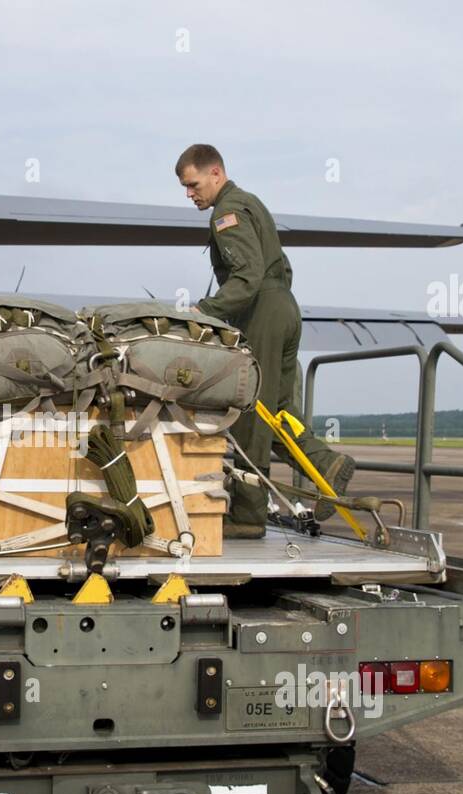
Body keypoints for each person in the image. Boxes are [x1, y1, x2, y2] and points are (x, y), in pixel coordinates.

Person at [175, 144, 355, 537]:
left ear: (215, 173)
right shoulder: (249, 202)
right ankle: (325, 465)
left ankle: (247, 516)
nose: (190, 194)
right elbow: (274, 268)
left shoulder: (227, 211)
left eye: (193, 184)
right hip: (284, 308)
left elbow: (246, 277)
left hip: (260, 312)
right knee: (280, 408)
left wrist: (204, 311)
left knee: (250, 414)